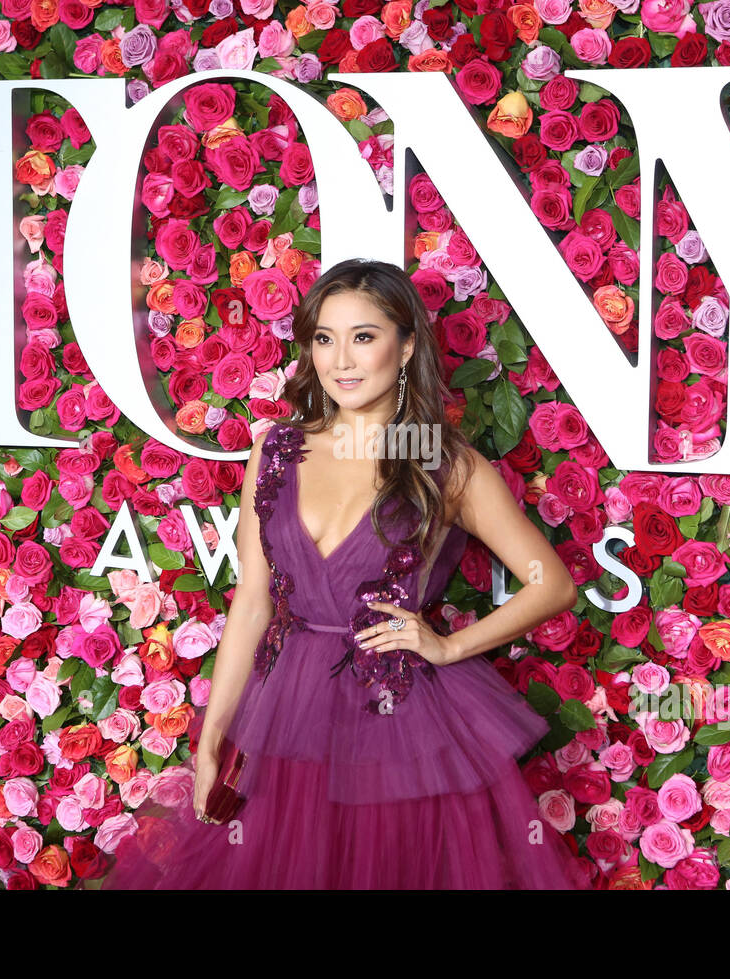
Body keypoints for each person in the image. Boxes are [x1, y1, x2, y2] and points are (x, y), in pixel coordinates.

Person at [98, 258, 592, 889]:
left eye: (364, 336)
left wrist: (446, 646)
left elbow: (552, 582)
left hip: (398, 723)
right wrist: (212, 736)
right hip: (285, 713)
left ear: (407, 344)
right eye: (324, 339)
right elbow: (252, 602)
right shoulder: (275, 450)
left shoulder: (446, 465)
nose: (341, 360)